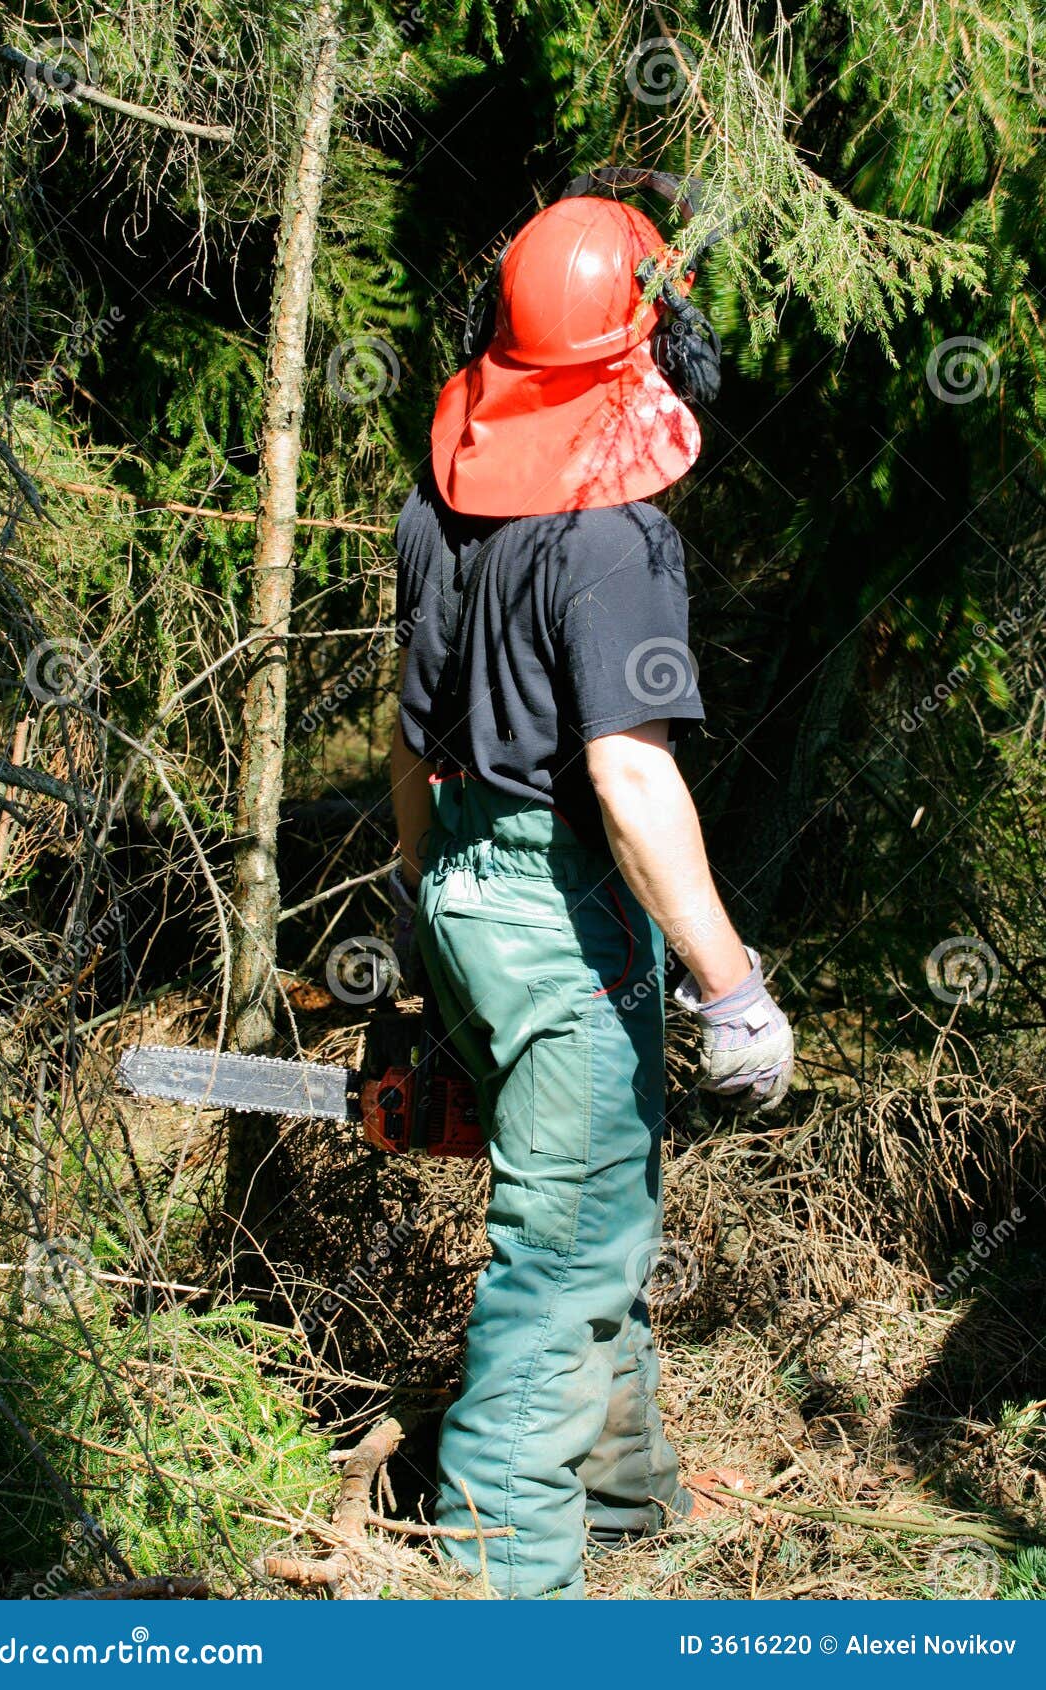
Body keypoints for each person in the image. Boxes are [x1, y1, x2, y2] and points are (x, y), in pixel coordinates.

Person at [388, 184, 794, 1599]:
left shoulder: (445, 495)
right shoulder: (616, 540)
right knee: (556, 1266)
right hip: (560, 914)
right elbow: (630, 786)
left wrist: (421, 914)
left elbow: (409, 745)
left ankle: (623, 1496)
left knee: (590, 1200)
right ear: (644, 341)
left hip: (461, 881)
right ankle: (509, 1588)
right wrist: (732, 984)